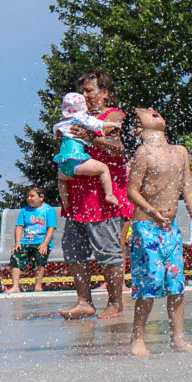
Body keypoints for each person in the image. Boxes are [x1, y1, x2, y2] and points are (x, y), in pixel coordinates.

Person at [124, 106, 192, 356]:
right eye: (145, 113)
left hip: (170, 228)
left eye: (154, 110)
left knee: (176, 284)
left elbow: (189, 190)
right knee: (149, 282)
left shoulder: (180, 152)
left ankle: (178, 339)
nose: (153, 110)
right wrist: (151, 210)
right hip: (146, 227)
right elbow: (132, 191)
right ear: (139, 129)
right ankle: (137, 337)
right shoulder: (143, 152)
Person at [58, 70, 131, 322]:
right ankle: (84, 301)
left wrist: (91, 138)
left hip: (102, 197)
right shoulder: (78, 117)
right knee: (73, 250)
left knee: (108, 251)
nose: (85, 95)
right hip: (78, 194)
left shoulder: (115, 116)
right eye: (83, 91)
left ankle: (115, 302)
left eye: (89, 90)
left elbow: (122, 150)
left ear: (105, 93)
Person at [52, 92, 118, 206]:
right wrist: (114, 124)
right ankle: (109, 194)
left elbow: (58, 136)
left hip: (63, 165)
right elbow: (99, 124)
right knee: (103, 169)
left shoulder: (59, 125)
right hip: (77, 161)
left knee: (61, 180)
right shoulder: (83, 119)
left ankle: (65, 202)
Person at [9, 186, 58, 294]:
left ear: (41, 197)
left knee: (40, 256)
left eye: (32, 196)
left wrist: (45, 243)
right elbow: (19, 227)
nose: (29, 198)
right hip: (26, 241)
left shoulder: (49, 210)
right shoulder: (24, 210)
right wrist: (17, 242)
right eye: (28, 196)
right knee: (16, 256)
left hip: (41, 242)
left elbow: (51, 228)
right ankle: (15, 286)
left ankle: (38, 285)